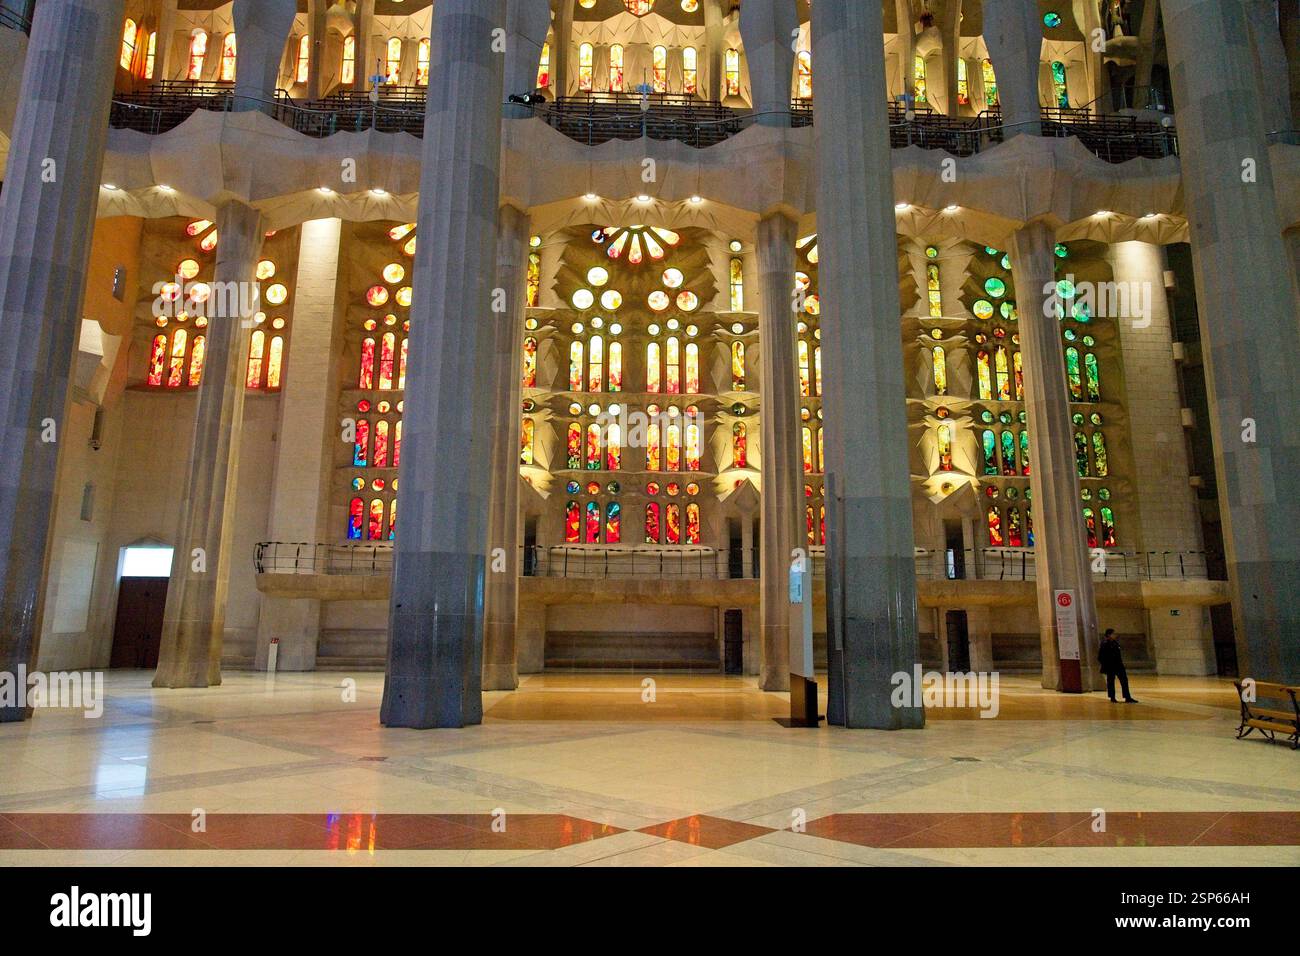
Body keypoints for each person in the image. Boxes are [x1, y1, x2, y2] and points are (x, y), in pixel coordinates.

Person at [1098, 628, 1138, 703]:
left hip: (1118, 665)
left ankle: (1127, 697)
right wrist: (1106, 665)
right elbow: (1100, 657)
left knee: (1124, 680)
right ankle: (1112, 697)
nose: (1115, 635)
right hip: (1110, 666)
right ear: (1109, 635)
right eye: (1113, 634)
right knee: (1111, 682)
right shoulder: (1105, 644)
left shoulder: (1115, 643)